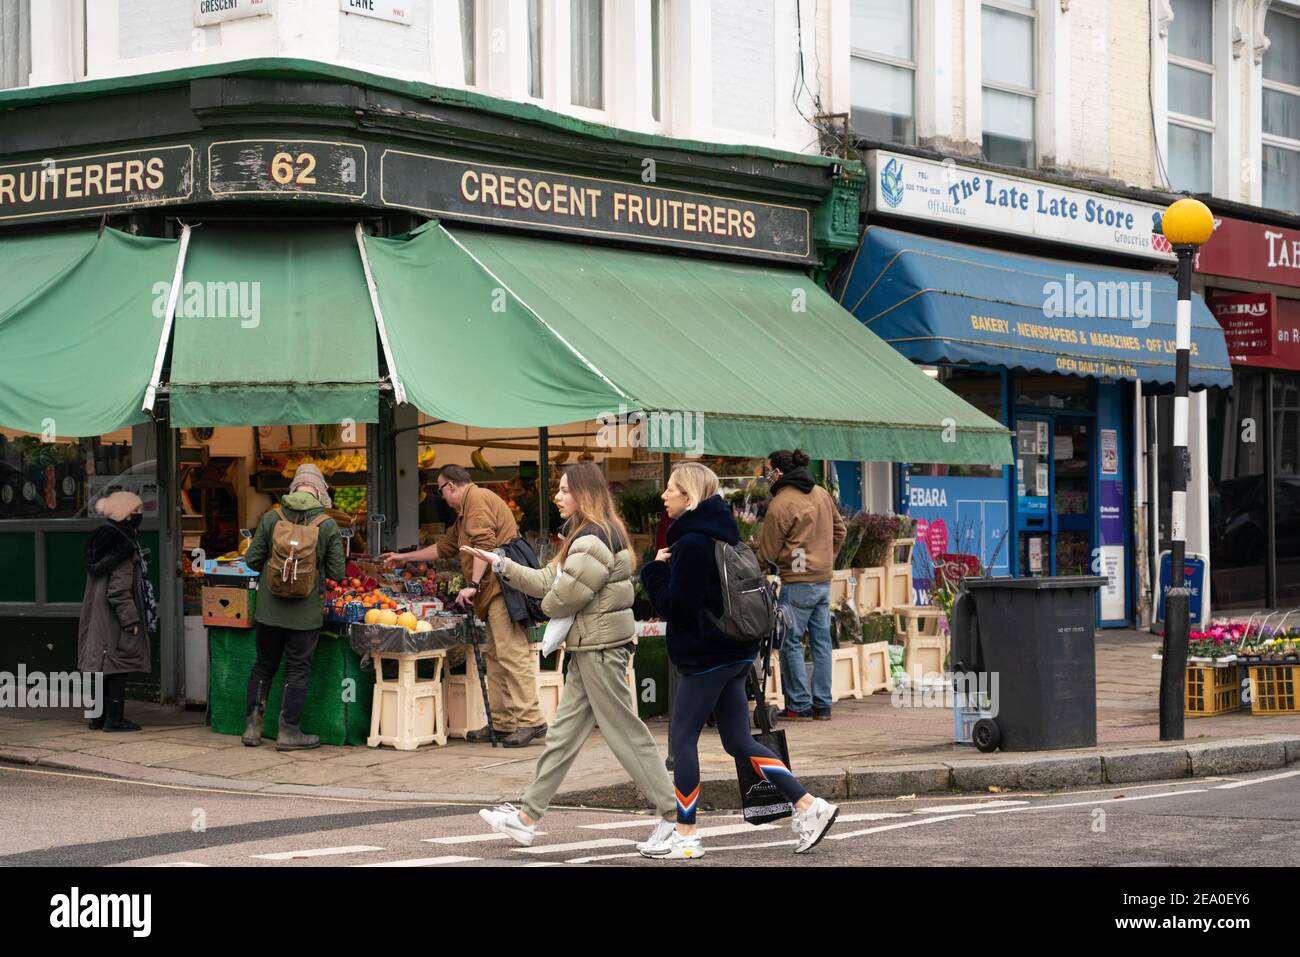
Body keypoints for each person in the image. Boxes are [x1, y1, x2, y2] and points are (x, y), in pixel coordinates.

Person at [466, 463, 676, 848]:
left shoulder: (593, 539)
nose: (558, 496)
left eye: (564, 490)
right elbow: (549, 580)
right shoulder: (584, 535)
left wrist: (548, 603)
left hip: (599, 651)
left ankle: (674, 815)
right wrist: (501, 564)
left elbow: (562, 597)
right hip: (589, 649)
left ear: (583, 493)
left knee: (627, 735)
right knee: (562, 737)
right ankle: (527, 817)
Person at [637, 462, 839, 860]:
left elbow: (678, 608)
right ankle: (809, 806)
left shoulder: (693, 544)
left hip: (706, 657)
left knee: (682, 741)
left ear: (689, 497)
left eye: (671, 489)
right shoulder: (726, 536)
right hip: (736, 653)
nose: (664, 496)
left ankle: (687, 833)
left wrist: (653, 572)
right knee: (737, 740)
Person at [379, 464, 547, 747]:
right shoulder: (466, 510)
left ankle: (532, 721)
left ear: (451, 486)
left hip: (500, 589)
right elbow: (446, 546)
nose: (441, 496)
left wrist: (473, 583)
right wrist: (404, 558)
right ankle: (503, 722)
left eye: (441, 490)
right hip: (493, 590)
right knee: (495, 655)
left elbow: (485, 544)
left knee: (511, 653)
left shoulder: (477, 499)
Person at [241, 463, 345, 751]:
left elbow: (251, 561)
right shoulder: (327, 525)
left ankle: (252, 727)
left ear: (294, 488)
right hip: (305, 614)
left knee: (263, 666)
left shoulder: (271, 518)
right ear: (319, 492)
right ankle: (289, 732)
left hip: (269, 610)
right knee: (297, 670)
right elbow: (337, 572)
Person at [755, 449, 846, 722]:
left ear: (779, 473)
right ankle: (823, 705)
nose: (766, 476)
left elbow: (768, 553)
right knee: (822, 643)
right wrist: (826, 558)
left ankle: (799, 704)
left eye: (768, 471)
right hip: (822, 580)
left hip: (796, 583)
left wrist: (750, 567)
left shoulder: (781, 503)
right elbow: (840, 531)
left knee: (790, 641)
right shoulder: (820, 493)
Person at [78, 491, 156, 732]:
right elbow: (119, 591)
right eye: (136, 513)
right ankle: (114, 719)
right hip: (113, 618)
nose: (139, 517)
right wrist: (130, 619)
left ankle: (97, 717)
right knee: (118, 664)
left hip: (96, 615)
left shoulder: (101, 540)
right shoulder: (123, 547)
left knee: (101, 665)